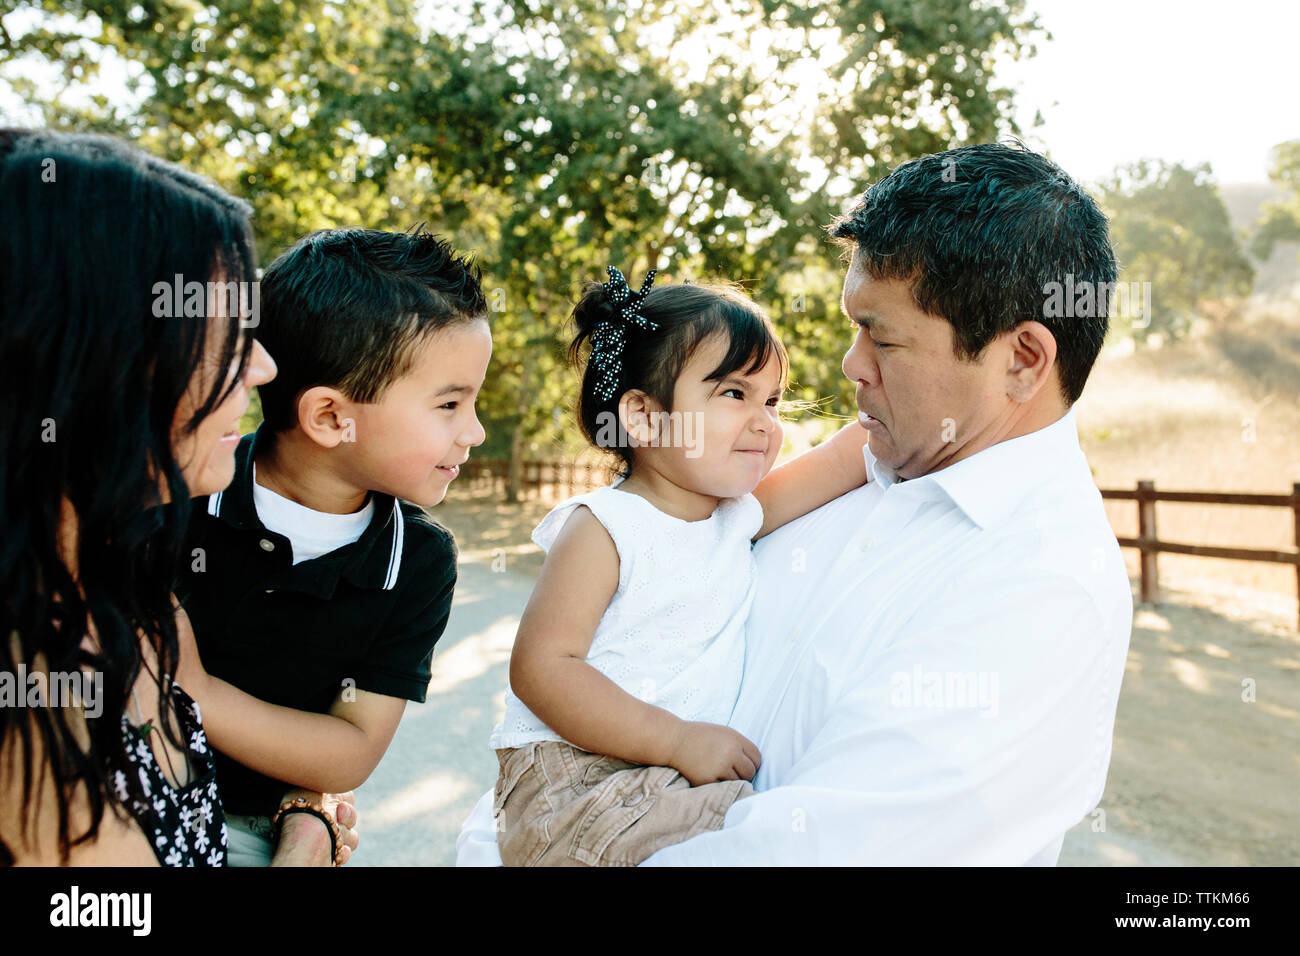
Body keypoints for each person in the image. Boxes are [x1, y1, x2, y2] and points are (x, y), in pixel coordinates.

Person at [458, 142, 1133, 866]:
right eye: (853, 327)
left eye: (881, 335)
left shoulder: (1045, 589)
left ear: (1022, 361)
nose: (851, 365)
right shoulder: (830, 480)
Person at [0, 129, 356, 866]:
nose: (260, 367)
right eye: (226, 333)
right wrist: (307, 844)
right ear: (101, 356)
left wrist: (300, 819)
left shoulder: (133, 598)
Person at [487, 268, 872, 866]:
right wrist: (675, 739)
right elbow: (541, 668)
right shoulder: (607, 526)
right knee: (761, 841)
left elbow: (845, 457)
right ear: (640, 416)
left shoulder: (737, 516)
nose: (764, 421)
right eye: (733, 394)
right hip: (576, 777)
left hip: (660, 782)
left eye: (771, 400)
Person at [174, 228, 490, 865]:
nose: (475, 432)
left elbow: (350, 748)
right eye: (450, 404)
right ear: (328, 417)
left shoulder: (418, 561)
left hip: (267, 825)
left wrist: (196, 693)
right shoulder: (180, 497)